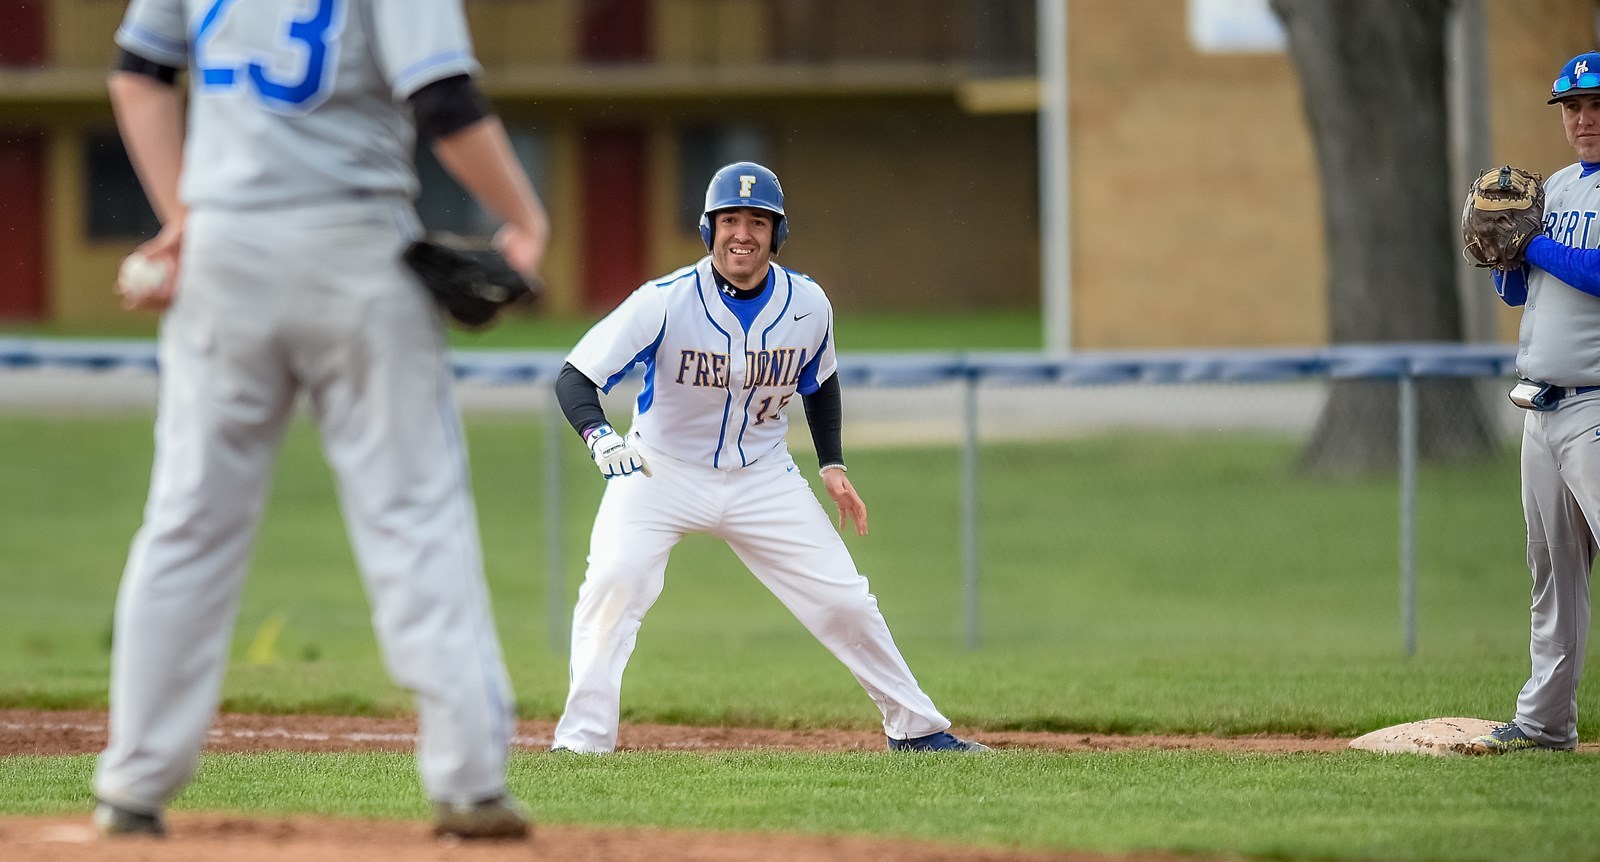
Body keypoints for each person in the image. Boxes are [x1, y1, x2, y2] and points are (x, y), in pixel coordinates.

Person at [93, 0, 549, 839]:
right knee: (412, 513)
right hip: (355, 242)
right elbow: (443, 99)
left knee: (189, 519)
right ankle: (468, 782)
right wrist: (524, 217)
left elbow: (140, 72)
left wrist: (184, 216)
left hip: (224, 254)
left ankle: (131, 784)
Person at [549, 161, 987, 755]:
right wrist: (599, 435)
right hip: (660, 471)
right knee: (612, 584)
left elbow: (821, 382)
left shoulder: (808, 303)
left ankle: (915, 730)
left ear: (777, 233)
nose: (743, 234)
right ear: (709, 229)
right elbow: (576, 376)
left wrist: (832, 465)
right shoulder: (665, 301)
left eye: (758, 222)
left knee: (844, 600)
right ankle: (582, 742)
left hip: (762, 476)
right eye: (730, 219)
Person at [1473, 51, 1600, 754]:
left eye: (1596, 106)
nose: (1584, 119)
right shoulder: (1553, 188)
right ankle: (1546, 723)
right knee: (1551, 572)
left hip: (1596, 407)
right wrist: (1504, 258)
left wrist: (1535, 243)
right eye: (1573, 107)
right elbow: (1523, 290)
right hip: (1543, 410)